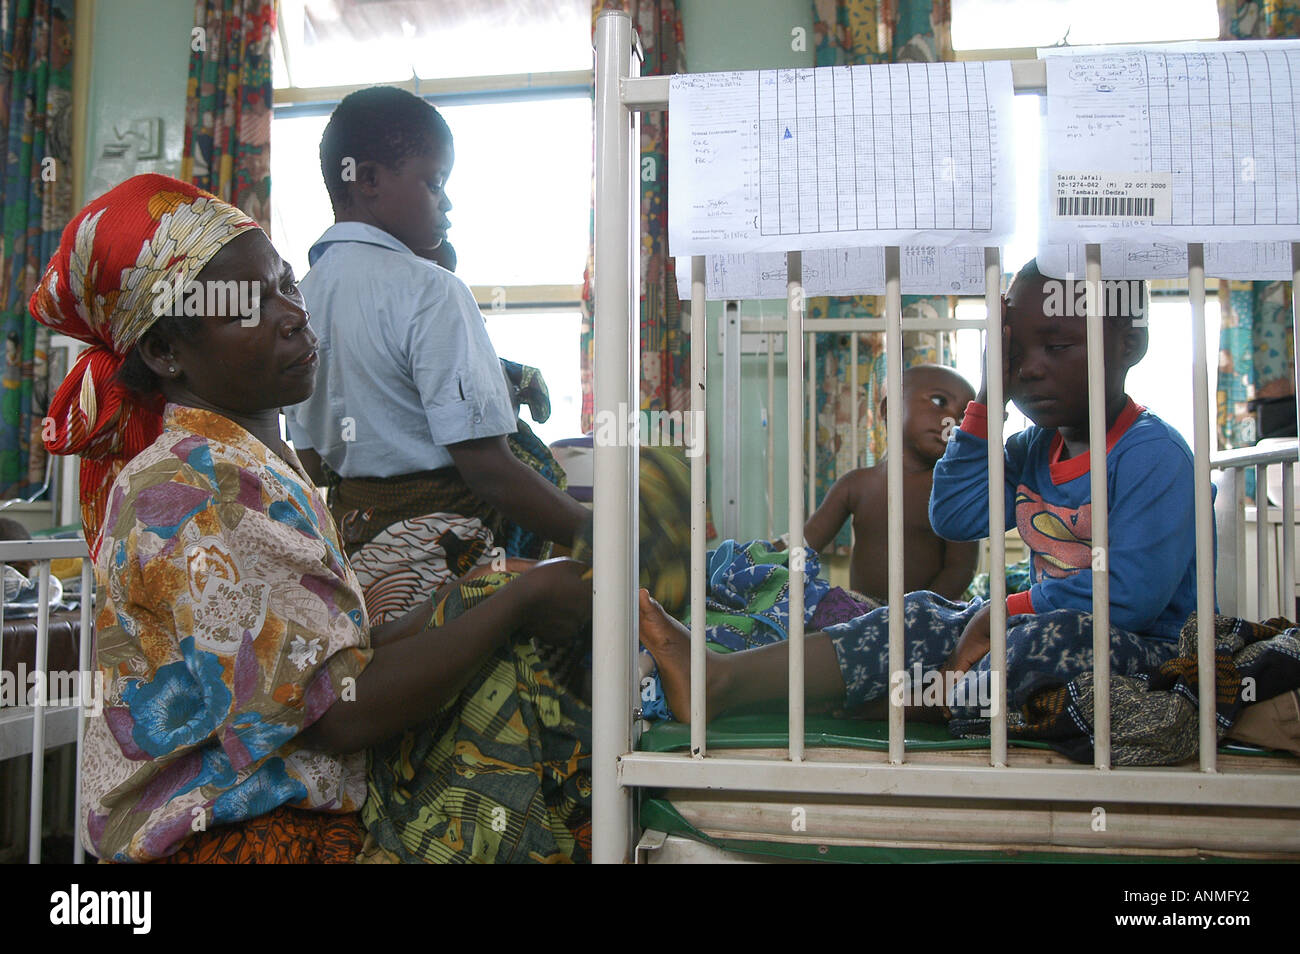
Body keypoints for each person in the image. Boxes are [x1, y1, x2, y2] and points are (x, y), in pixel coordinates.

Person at [33, 174, 593, 863]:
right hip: (238, 839)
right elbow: (338, 713)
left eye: (286, 287)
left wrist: (487, 591)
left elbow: (330, 661)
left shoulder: (255, 465)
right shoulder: (195, 491)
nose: (292, 315)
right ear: (165, 352)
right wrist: (519, 602)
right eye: (247, 304)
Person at [639, 259, 1199, 727]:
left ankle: (908, 703)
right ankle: (719, 678)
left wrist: (1001, 612)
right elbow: (955, 514)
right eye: (1014, 352)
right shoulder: (1033, 449)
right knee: (919, 615)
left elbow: (1129, 596)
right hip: (1030, 621)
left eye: (1056, 346)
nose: (1030, 368)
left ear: (1129, 343)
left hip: (1148, 650)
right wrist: (983, 403)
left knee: (1049, 639)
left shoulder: (1154, 454)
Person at [284, 86, 590, 624]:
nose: (446, 202)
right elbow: (490, 471)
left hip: (359, 569)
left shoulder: (296, 302)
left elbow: (310, 464)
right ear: (370, 180)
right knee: (586, 614)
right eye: (435, 181)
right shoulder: (431, 290)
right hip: (449, 562)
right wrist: (599, 537)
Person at [803, 364, 977, 602]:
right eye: (939, 402)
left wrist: (920, 610)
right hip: (865, 612)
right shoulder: (855, 485)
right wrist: (780, 566)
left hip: (932, 610)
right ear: (890, 408)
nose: (951, 422)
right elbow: (807, 542)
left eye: (962, 418)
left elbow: (961, 569)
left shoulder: (954, 492)